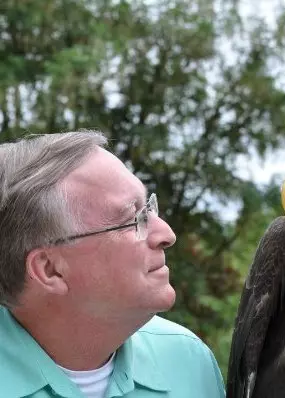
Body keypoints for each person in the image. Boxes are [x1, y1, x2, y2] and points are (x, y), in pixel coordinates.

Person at [0, 131, 225, 398]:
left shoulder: (188, 361)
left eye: (150, 208)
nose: (166, 234)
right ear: (50, 269)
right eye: (133, 218)